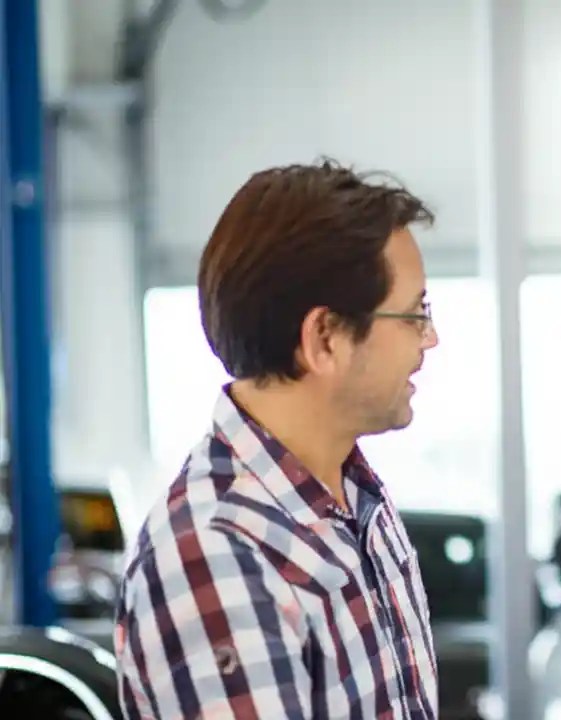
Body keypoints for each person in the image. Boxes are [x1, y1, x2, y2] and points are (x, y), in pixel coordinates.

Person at [115, 160, 440, 719]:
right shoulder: (217, 555)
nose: (430, 338)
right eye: (415, 314)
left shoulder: (353, 501)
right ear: (325, 338)